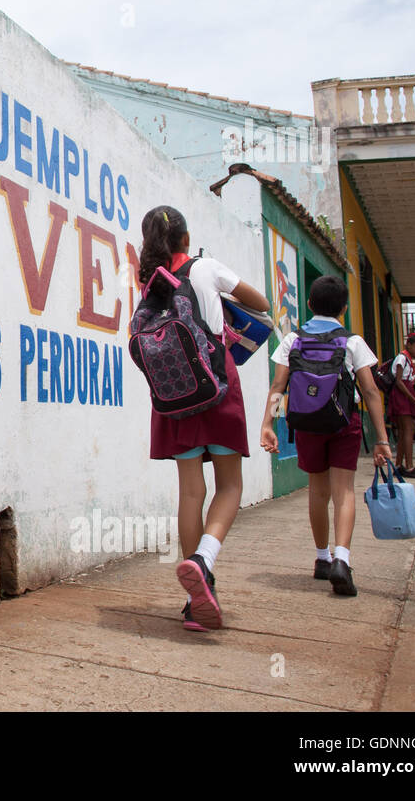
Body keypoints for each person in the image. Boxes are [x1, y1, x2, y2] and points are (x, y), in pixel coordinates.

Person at [137, 206, 270, 631]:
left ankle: (197, 600)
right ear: (186, 237)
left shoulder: (149, 284)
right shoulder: (207, 267)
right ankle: (203, 559)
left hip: (175, 393)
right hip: (217, 383)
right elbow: (263, 303)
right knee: (231, 485)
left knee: (191, 492)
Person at [260, 275, 391, 598]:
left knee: (318, 492)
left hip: (306, 425)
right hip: (344, 422)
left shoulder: (292, 340)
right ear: (344, 308)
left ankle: (321, 558)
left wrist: (268, 424)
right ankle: (342, 560)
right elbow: (371, 392)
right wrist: (382, 439)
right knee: (343, 491)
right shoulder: (353, 342)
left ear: (308, 304)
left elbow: (278, 387)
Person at [386, 335, 415, 479]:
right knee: (408, 430)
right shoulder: (402, 358)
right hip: (402, 396)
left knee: (405, 431)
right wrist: (413, 399)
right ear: (408, 344)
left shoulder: (408, 360)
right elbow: (398, 381)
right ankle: (409, 466)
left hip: (406, 394)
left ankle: (399, 465)